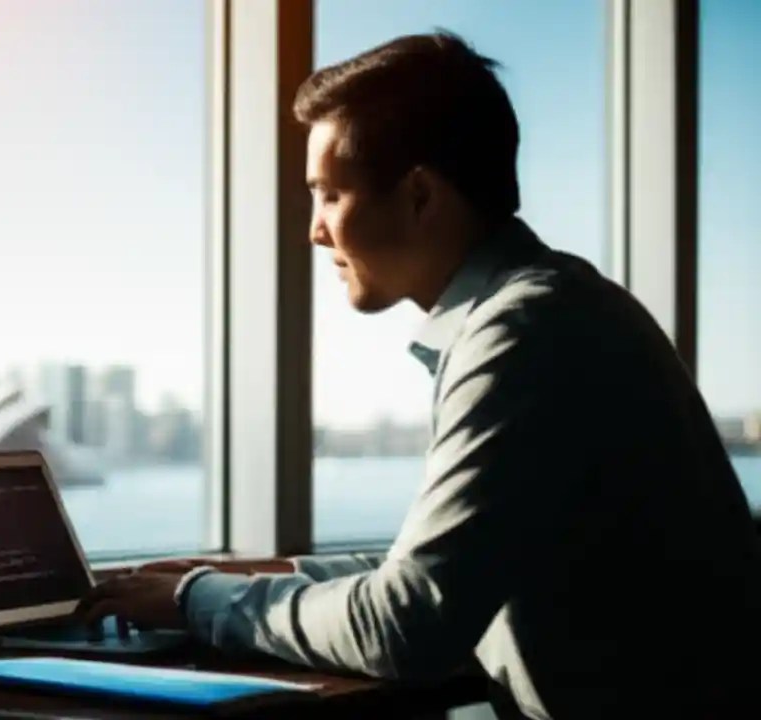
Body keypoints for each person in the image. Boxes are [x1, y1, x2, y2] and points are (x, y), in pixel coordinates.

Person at [76, 32, 761, 719]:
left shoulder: (520, 334)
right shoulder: (560, 306)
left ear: (420, 196)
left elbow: (408, 623)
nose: (314, 231)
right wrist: (250, 576)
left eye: (329, 195)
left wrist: (196, 603)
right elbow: (448, 568)